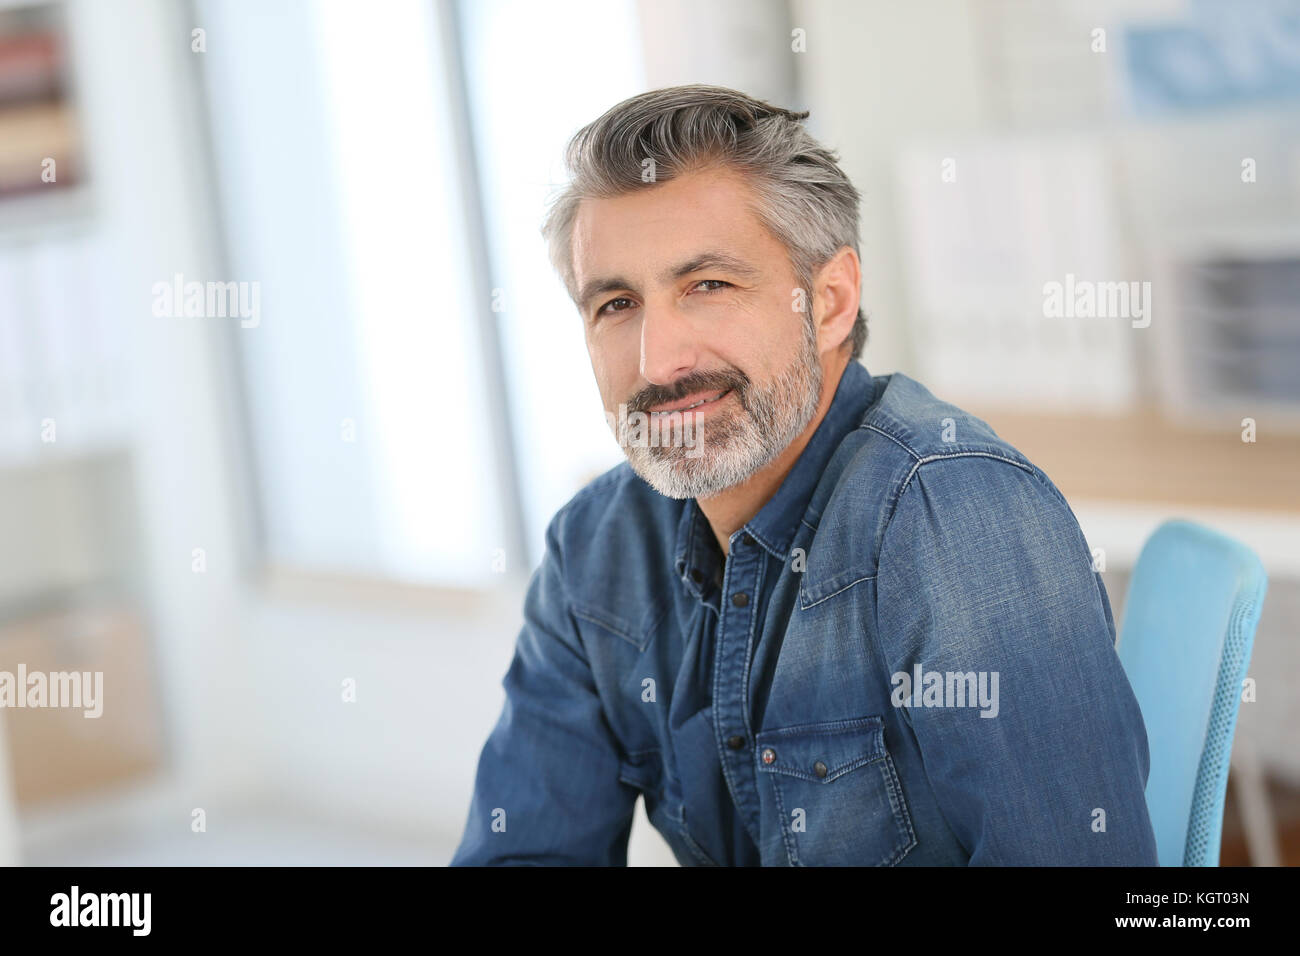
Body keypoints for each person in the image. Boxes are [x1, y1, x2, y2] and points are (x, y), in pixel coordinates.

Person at [450, 84, 1159, 866]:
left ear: (829, 302)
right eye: (616, 304)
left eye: (708, 287)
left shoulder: (951, 518)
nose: (657, 361)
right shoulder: (595, 546)